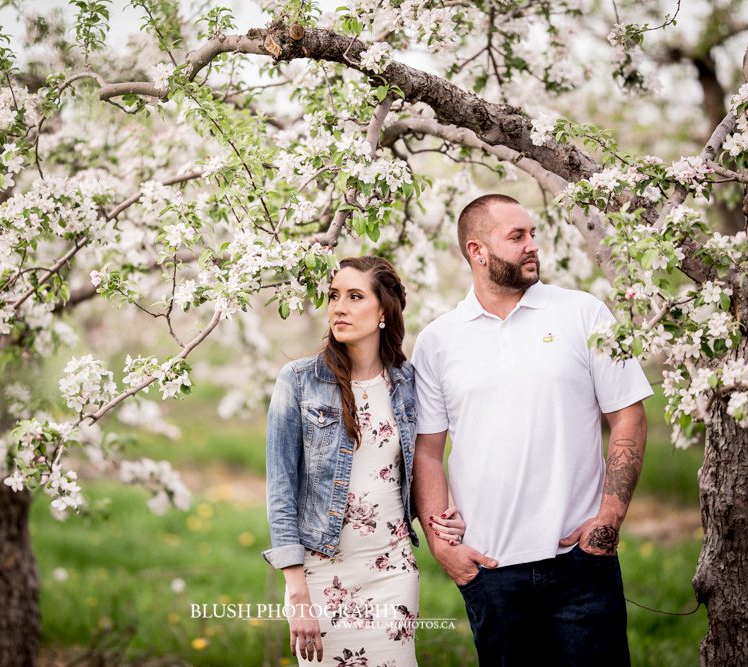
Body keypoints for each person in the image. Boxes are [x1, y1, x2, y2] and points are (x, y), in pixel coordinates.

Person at [411, 195, 652, 666]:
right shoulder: (439, 340)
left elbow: (628, 415)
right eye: (517, 236)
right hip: (491, 571)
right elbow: (426, 452)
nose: (532, 246)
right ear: (477, 251)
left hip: (581, 564)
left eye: (533, 234)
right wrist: (443, 547)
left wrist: (610, 518)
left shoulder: (583, 313)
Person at [262, 256, 463, 665]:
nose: (339, 307)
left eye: (355, 296)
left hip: (391, 570)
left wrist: (447, 514)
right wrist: (296, 591)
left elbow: (425, 460)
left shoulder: (407, 382)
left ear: (384, 311)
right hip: (320, 573)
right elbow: (280, 488)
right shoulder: (299, 380)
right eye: (334, 296)